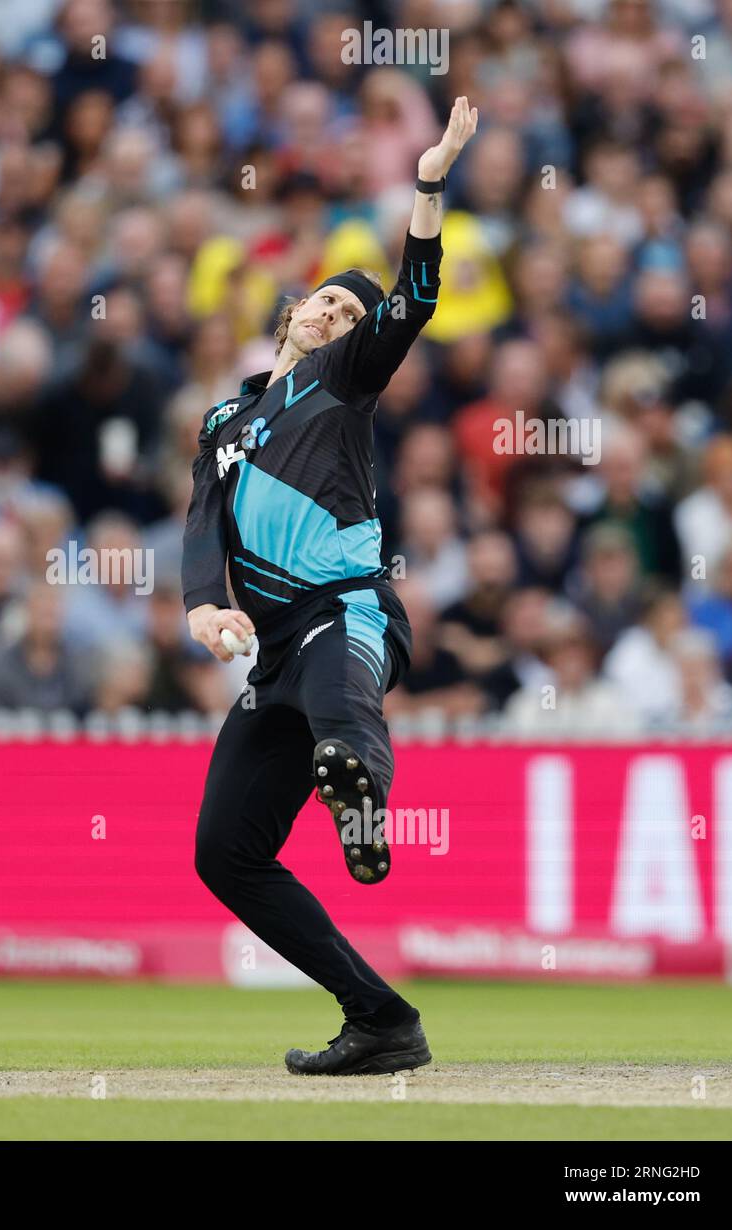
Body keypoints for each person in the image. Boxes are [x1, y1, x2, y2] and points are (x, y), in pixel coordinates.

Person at [184, 97, 478, 1076]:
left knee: (340, 713)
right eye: (328, 302)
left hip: (345, 612)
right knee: (223, 854)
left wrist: (428, 185)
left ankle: (360, 793)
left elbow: (416, 298)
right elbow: (200, 525)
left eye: (353, 312)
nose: (341, 315)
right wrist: (201, 603)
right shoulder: (225, 419)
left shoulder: (345, 379)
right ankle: (381, 1021)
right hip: (271, 651)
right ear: (292, 310)